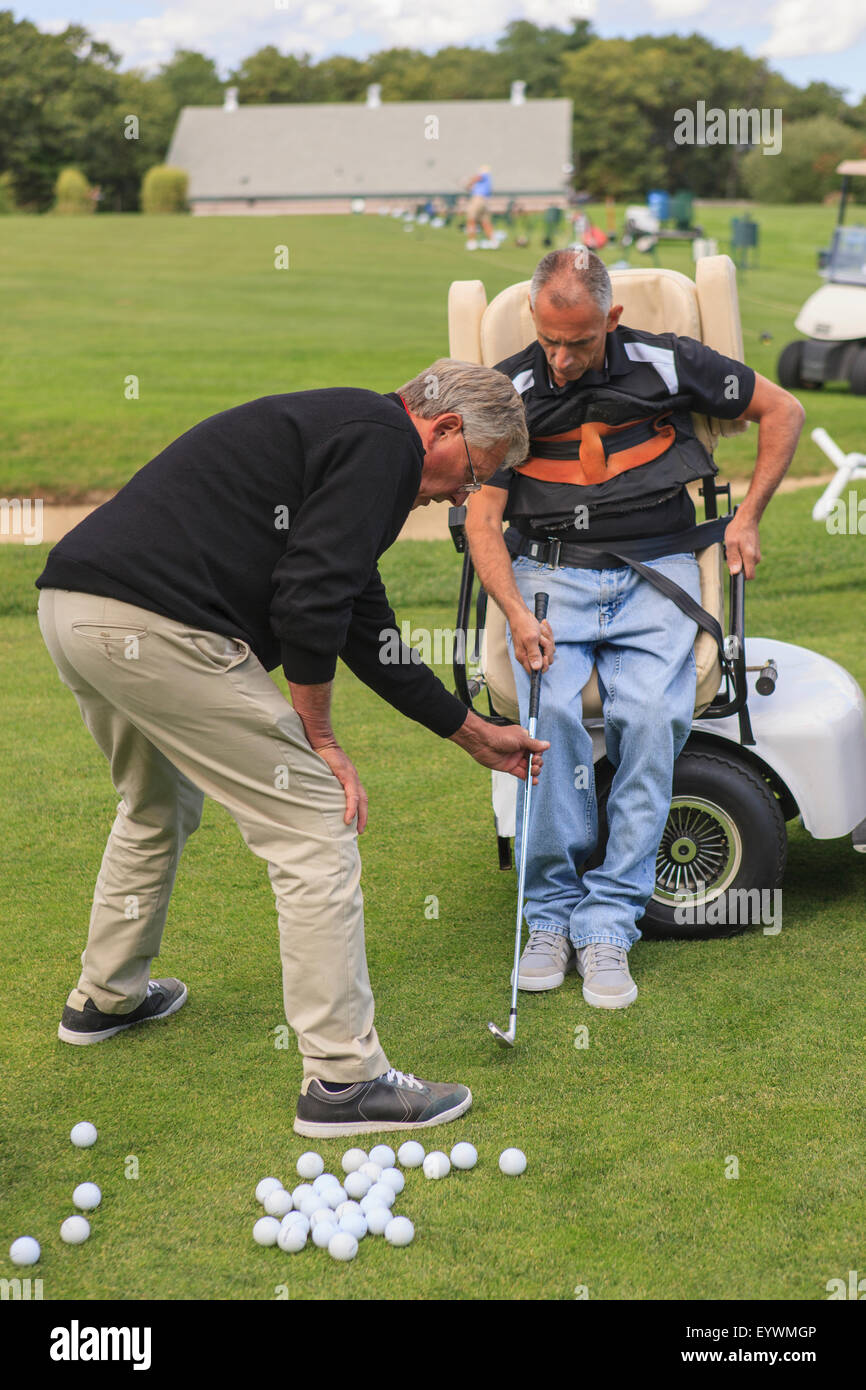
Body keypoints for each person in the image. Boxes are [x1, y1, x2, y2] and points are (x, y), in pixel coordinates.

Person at [35, 360, 548, 1137]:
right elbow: (309, 601)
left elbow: (358, 620)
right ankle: (344, 1082)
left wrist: (471, 734)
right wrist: (323, 740)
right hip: (156, 624)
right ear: (442, 429)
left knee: (154, 802)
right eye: (471, 474)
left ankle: (106, 996)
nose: (458, 495)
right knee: (313, 821)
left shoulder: (352, 436)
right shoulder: (385, 445)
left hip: (76, 611)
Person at [465, 249, 805, 1010]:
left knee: (649, 715)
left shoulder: (666, 362)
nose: (561, 358)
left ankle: (611, 920)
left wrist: (747, 518)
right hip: (549, 574)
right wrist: (517, 613)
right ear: (533, 321)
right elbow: (484, 520)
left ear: (611, 321)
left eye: (578, 343)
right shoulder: (509, 392)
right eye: (549, 339)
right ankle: (550, 917)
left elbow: (785, 411)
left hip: (659, 572)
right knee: (548, 717)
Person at [464, 166, 498, 251]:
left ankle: (472, 242)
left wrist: (468, 183)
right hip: (485, 201)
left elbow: (477, 178)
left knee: (471, 220)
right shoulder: (488, 179)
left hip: (478, 200)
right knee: (485, 222)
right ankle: (494, 242)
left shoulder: (484, 175)